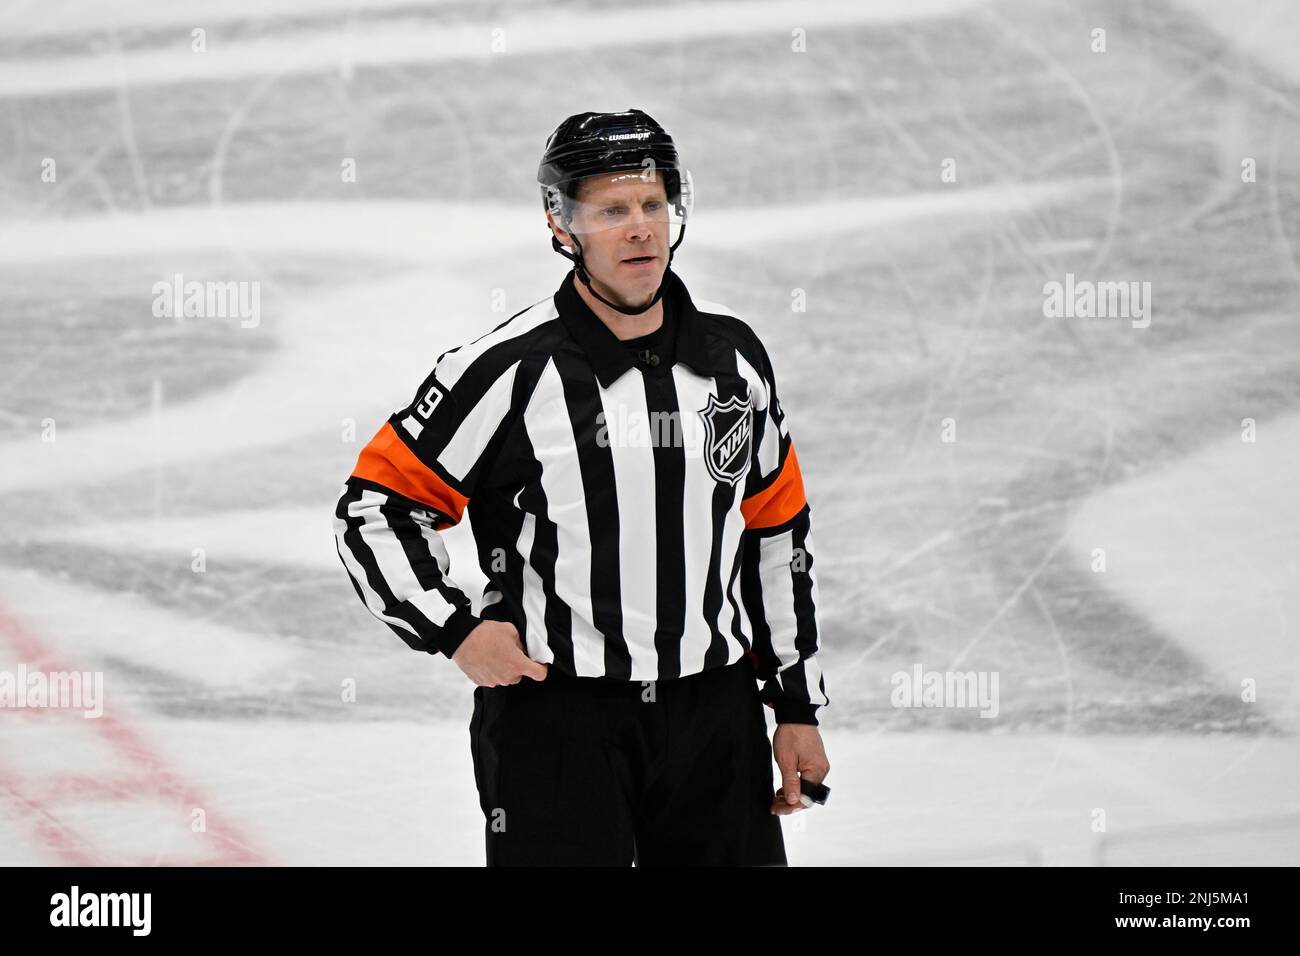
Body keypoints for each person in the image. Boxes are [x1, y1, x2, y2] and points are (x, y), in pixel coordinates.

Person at [333, 108, 830, 866]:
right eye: (612, 211)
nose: (640, 229)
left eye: (652, 204)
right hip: (557, 720)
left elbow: (775, 534)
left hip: (715, 716)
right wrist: (455, 629)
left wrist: (795, 705)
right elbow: (373, 509)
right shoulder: (506, 370)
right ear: (563, 225)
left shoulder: (736, 359)